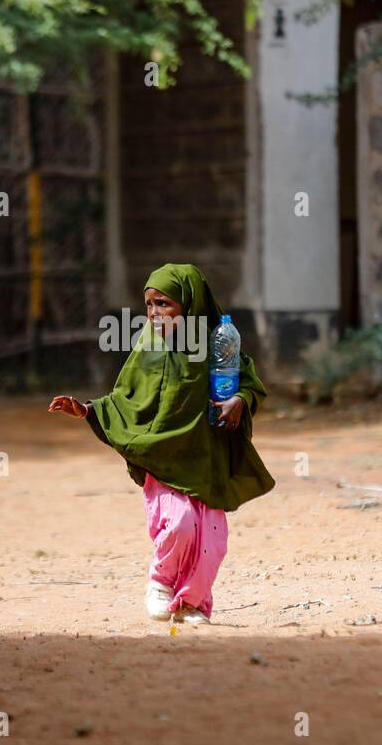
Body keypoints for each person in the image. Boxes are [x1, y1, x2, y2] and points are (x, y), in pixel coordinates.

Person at [48, 264, 274, 625]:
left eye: (164, 304)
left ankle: (193, 603)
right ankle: (161, 584)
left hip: (207, 456)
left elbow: (250, 384)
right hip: (165, 456)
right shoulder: (149, 346)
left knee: (211, 541)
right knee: (180, 525)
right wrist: (89, 410)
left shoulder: (221, 344)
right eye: (149, 305)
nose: (154, 314)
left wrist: (240, 401)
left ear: (191, 304)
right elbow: (126, 397)